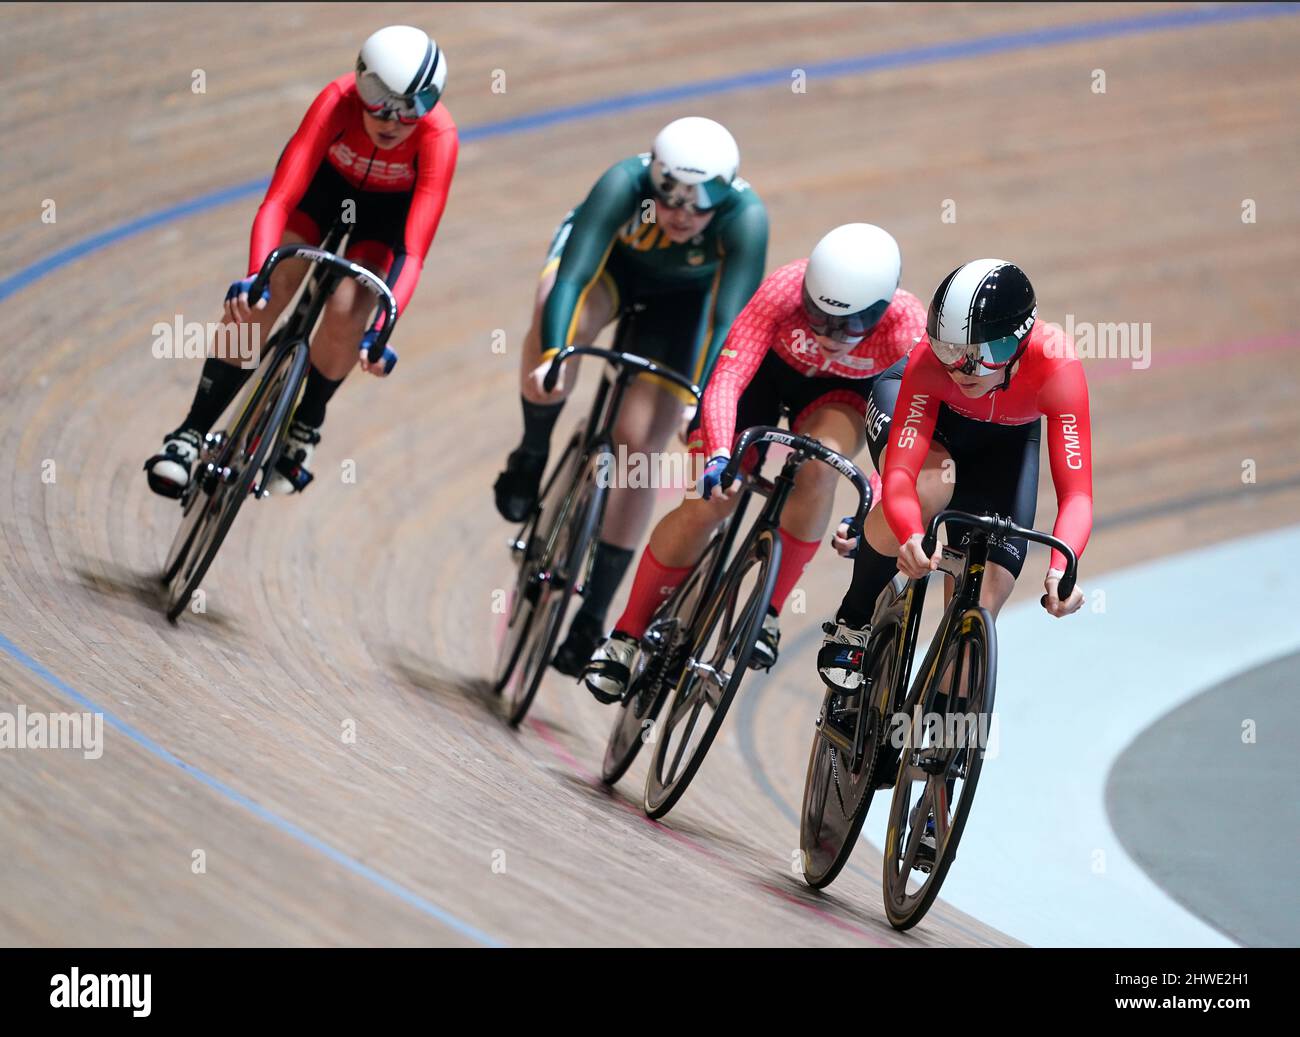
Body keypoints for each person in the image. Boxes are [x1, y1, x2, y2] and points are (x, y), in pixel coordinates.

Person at [582, 223, 925, 703]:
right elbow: (727, 378)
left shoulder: (906, 329)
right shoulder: (784, 289)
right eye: (818, 316)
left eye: (847, 326)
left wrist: (873, 505)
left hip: (840, 397)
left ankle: (768, 612)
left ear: (881, 310)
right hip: (764, 379)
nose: (829, 335)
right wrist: (720, 453)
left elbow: (904, 431)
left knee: (819, 468)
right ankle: (624, 638)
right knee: (712, 502)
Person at [492, 117, 769, 675]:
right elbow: (572, 277)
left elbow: (726, 324)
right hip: (608, 272)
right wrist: (552, 356)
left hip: (683, 308)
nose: (680, 217)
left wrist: (704, 401)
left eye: (697, 210)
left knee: (637, 448)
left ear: (723, 200)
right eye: (669, 202)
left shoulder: (748, 220)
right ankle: (532, 453)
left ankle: (592, 616)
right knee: (557, 328)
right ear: (653, 180)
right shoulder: (623, 183)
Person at [144, 25, 457, 497]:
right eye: (377, 95)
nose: (392, 118)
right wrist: (257, 274)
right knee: (271, 292)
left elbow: (413, 250)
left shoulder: (439, 137)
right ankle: (190, 433)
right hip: (323, 192)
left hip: (383, 219)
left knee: (348, 310)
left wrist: (380, 332)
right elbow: (278, 201)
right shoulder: (335, 101)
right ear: (358, 80)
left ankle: (305, 426)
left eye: (415, 104)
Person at [817, 258, 1092, 696]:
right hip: (926, 419)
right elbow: (904, 473)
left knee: (976, 623)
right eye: (947, 349)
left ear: (1017, 343)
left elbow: (1077, 496)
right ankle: (853, 618)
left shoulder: (1057, 365)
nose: (962, 369)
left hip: (1002, 443)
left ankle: (930, 749)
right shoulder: (931, 365)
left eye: (982, 356)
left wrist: (1063, 571)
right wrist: (909, 532)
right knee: (931, 486)